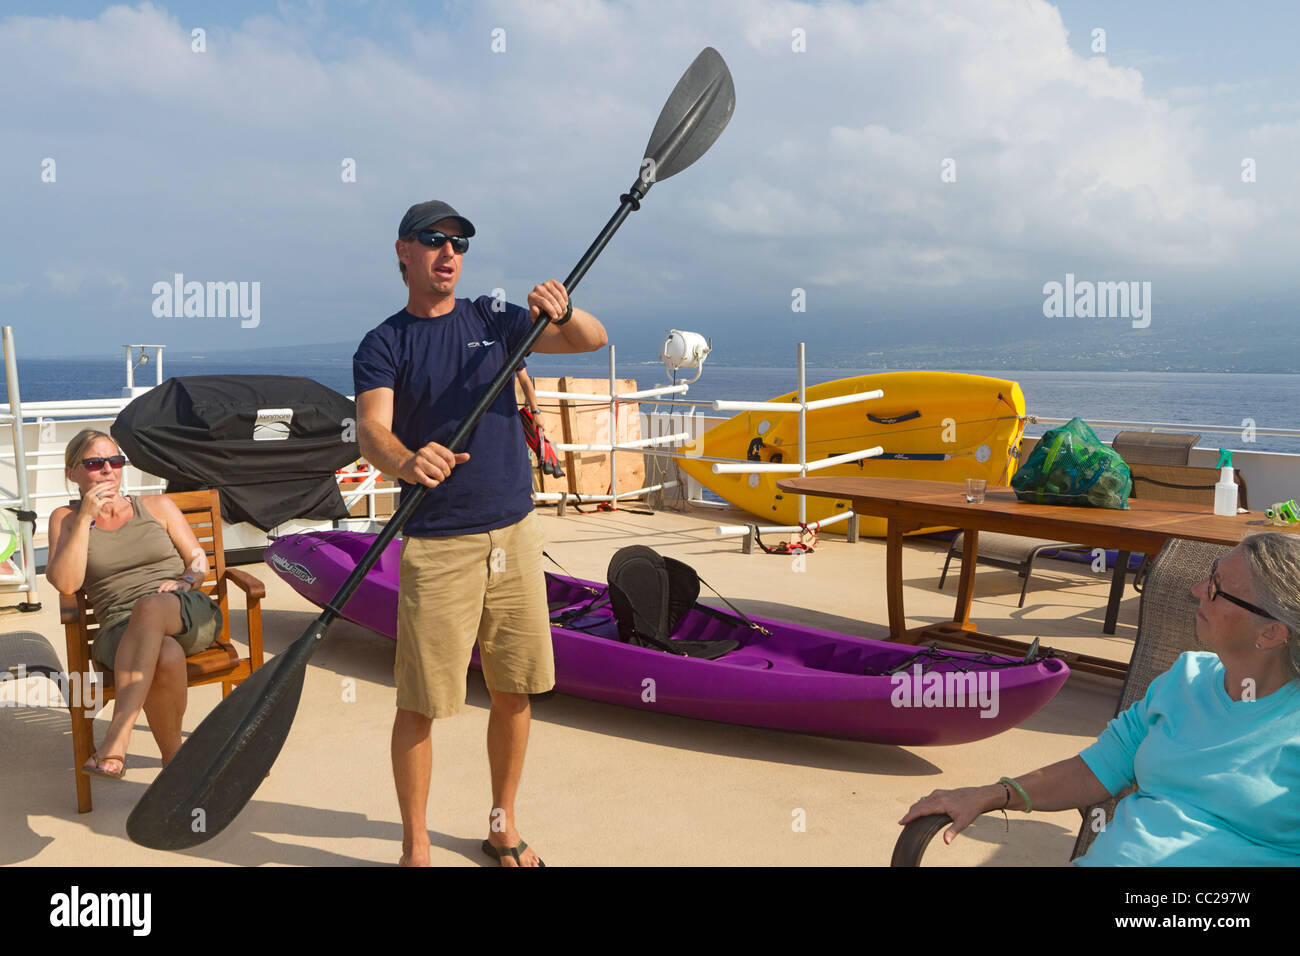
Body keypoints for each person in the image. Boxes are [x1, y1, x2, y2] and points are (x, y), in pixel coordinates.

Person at [354, 200, 607, 867]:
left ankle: (502, 823)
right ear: (403, 251)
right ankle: (416, 846)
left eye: (460, 243)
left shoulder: (493, 320)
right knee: (422, 703)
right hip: (437, 544)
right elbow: (371, 431)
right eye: (434, 241)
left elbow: (591, 341)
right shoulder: (385, 343)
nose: (449, 253)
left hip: (514, 534)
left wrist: (565, 309)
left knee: (514, 688)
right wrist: (407, 459)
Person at [900, 531, 1300, 865]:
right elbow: (1097, 768)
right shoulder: (1185, 679)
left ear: (1270, 633)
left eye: (1217, 588)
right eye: (1209, 575)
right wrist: (990, 794)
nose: (1197, 590)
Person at [45, 429, 221, 778]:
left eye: (115, 461)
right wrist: (85, 519)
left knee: (150, 608)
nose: (108, 470)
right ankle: (175, 762)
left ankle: (116, 737)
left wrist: (187, 580)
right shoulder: (65, 520)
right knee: (165, 655)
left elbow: (199, 561)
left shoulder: (157, 506)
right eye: (95, 463)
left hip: (183, 610)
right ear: (72, 473)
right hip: (119, 630)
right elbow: (66, 583)